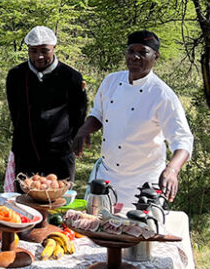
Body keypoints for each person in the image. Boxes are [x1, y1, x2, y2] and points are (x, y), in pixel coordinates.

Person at [72, 30, 193, 205]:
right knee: (95, 226)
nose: (135, 57)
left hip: (144, 181)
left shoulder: (162, 95)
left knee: (139, 229)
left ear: (155, 56)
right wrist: (84, 129)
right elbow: (98, 114)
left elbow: (183, 139)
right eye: (131, 51)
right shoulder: (110, 81)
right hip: (107, 174)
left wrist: (172, 170)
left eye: (142, 52)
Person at [6, 26, 87, 189]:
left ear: (54, 48)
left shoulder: (71, 77)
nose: (39, 56)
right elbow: (15, 112)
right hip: (25, 151)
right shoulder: (16, 75)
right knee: (25, 202)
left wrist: (67, 142)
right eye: (33, 51)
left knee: (58, 202)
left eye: (45, 50)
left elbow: (78, 115)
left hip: (60, 153)